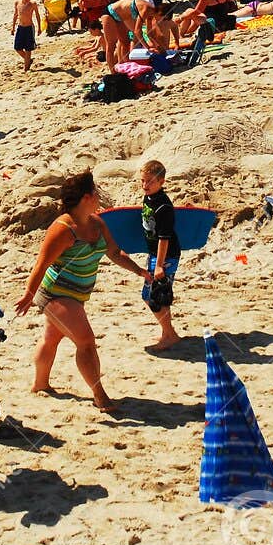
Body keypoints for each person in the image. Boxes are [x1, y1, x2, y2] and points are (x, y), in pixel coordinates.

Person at [16, 171, 148, 412]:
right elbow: (41, 264)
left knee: (51, 338)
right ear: (87, 197)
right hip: (56, 293)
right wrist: (28, 294)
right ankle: (100, 395)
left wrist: (139, 271)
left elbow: (115, 253)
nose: (99, 196)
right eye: (96, 192)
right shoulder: (63, 228)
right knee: (86, 341)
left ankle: (40, 384)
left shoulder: (97, 222)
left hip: (78, 294)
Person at [140, 160, 182, 351]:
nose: (145, 186)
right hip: (154, 254)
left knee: (155, 296)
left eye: (149, 182)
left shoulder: (164, 206)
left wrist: (159, 265)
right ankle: (168, 333)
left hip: (166, 257)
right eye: (142, 181)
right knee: (151, 295)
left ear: (162, 182)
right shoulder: (149, 199)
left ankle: (169, 334)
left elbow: (164, 238)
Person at [12, 0, 40, 71]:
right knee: (17, 47)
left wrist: (39, 27)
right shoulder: (17, 3)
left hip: (29, 28)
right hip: (20, 27)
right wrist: (12, 27)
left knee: (28, 49)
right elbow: (15, 15)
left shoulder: (32, 4)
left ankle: (26, 69)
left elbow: (38, 16)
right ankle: (28, 60)